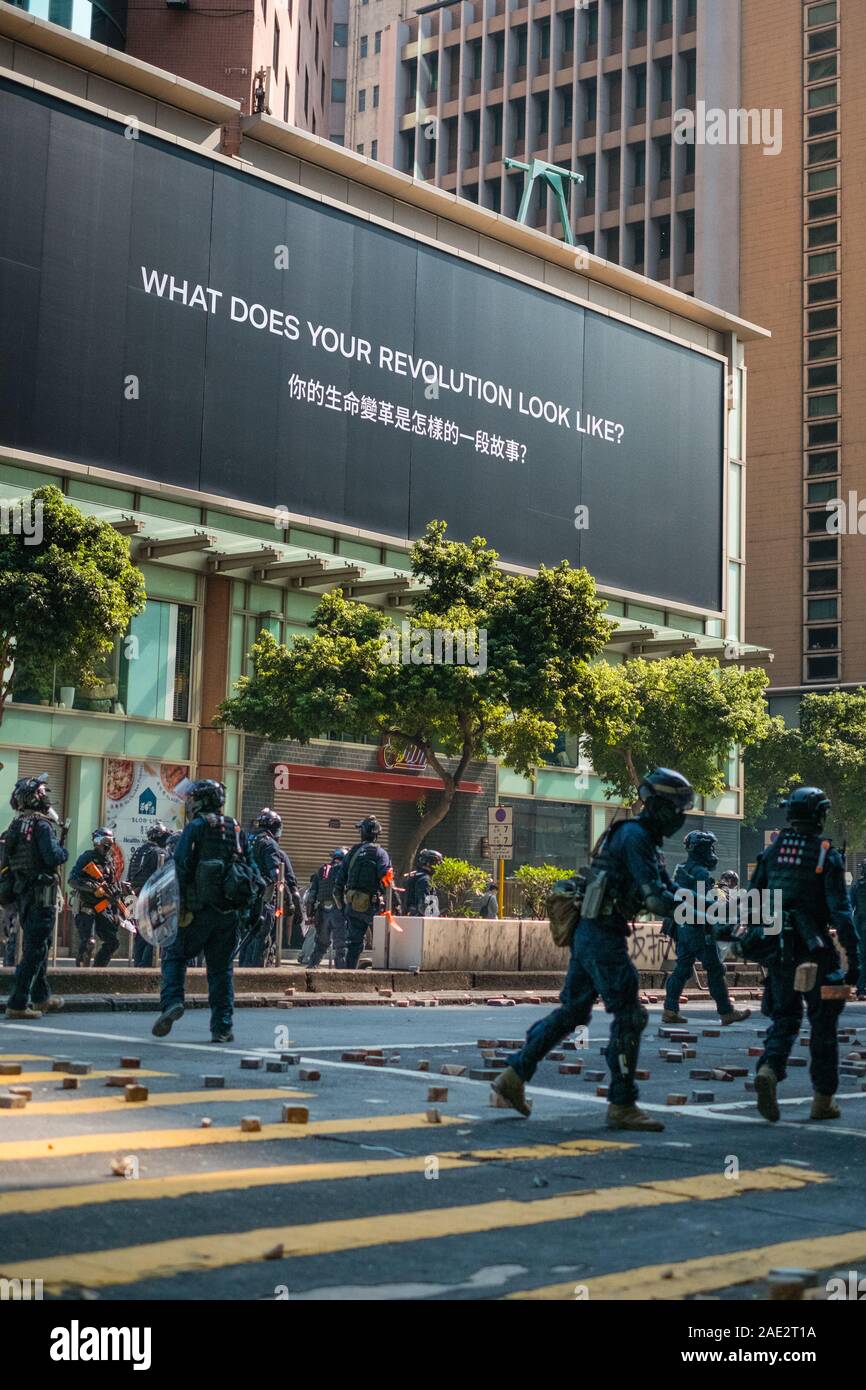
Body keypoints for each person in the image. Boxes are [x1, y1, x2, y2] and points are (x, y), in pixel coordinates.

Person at [494, 769, 696, 1133]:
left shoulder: (641, 839)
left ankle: (514, 1075)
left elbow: (669, 892)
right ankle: (622, 1104)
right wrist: (699, 913)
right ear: (661, 807)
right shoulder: (635, 838)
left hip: (592, 933)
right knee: (631, 1016)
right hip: (601, 936)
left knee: (573, 1010)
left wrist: (711, 915)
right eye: (678, 809)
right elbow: (657, 898)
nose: (680, 819)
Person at [745, 786, 857, 1123]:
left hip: (780, 950)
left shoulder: (774, 850)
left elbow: (753, 900)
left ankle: (769, 1067)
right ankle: (822, 1100)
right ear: (819, 815)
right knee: (823, 1026)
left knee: (785, 1018)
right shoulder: (826, 854)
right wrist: (855, 960)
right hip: (816, 951)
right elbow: (841, 913)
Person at [152, 779, 258, 1043]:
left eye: (191, 799)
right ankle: (222, 1027)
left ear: (200, 801)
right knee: (221, 971)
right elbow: (253, 870)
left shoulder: (197, 827)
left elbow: (180, 866)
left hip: (196, 912)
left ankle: (173, 1002)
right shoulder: (235, 828)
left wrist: (178, 905)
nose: (188, 803)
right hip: (228, 914)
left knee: (175, 956)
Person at [661, 830, 750, 1027]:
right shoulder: (701, 873)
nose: (712, 851)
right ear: (701, 849)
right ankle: (726, 1012)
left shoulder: (681, 868)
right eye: (710, 848)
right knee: (715, 969)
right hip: (699, 929)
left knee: (682, 968)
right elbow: (706, 904)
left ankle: (670, 1009)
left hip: (682, 927)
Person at [3, 774, 68, 1020]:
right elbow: (53, 857)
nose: (46, 796)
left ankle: (41, 997)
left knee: (40, 945)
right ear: (35, 797)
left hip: (23, 894)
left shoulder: (15, 826)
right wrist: (64, 851)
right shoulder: (41, 826)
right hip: (42, 894)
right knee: (35, 949)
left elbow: (6, 861)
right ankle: (18, 1002)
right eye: (42, 792)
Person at [239, 808, 297, 966]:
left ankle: (242, 972)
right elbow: (277, 875)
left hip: (245, 899)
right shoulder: (269, 844)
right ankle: (254, 975)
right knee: (260, 940)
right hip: (263, 900)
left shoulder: (249, 840)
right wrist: (289, 900)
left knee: (246, 939)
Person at [334, 815, 393, 969]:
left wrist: (342, 909)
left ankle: (349, 976)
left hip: (353, 906)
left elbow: (337, 886)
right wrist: (395, 903)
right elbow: (387, 880)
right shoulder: (381, 854)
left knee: (354, 944)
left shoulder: (352, 852)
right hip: (373, 906)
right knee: (383, 943)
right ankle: (382, 974)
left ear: (363, 832)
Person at [68, 827, 130, 967]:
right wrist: (93, 887)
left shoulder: (110, 862)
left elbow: (112, 886)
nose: (106, 845)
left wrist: (119, 891)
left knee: (112, 942)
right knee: (89, 942)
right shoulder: (87, 857)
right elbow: (72, 880)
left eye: (110, 842)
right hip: (87, 907)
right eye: (103, 841)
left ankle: (97, 973)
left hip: (103, 908)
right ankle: (80, 975)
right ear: (96, 842)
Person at [127, 822, 173, 966]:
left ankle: (138, 964)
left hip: (137, 897)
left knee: (141, 934)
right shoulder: (160, 853)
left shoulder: (139, 851)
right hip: (151, 897)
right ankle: (144, 966)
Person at [305, 847, 348, 967]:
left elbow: (311, 895)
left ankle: (310, 971)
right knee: (341, 946)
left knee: (320, 944)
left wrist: (310, 914)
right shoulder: (345, 870)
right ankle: (343, 976)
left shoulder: (321, 870)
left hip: (322, 911)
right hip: (339, 912)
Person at [403, 849, 443, 917]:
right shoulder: (425, 880)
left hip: (411, 917)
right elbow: (424, 906)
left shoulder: (416, 876)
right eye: (437, 864)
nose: (438, 867)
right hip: (419, 920)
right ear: (430, 863)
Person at [849, 861, 866, 1001]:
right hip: (860, 924)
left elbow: (849, 906)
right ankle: (861, 988)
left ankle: (861, 989)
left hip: (860, 925)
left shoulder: (856, 886)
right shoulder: (856, 886)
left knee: (861, 957)